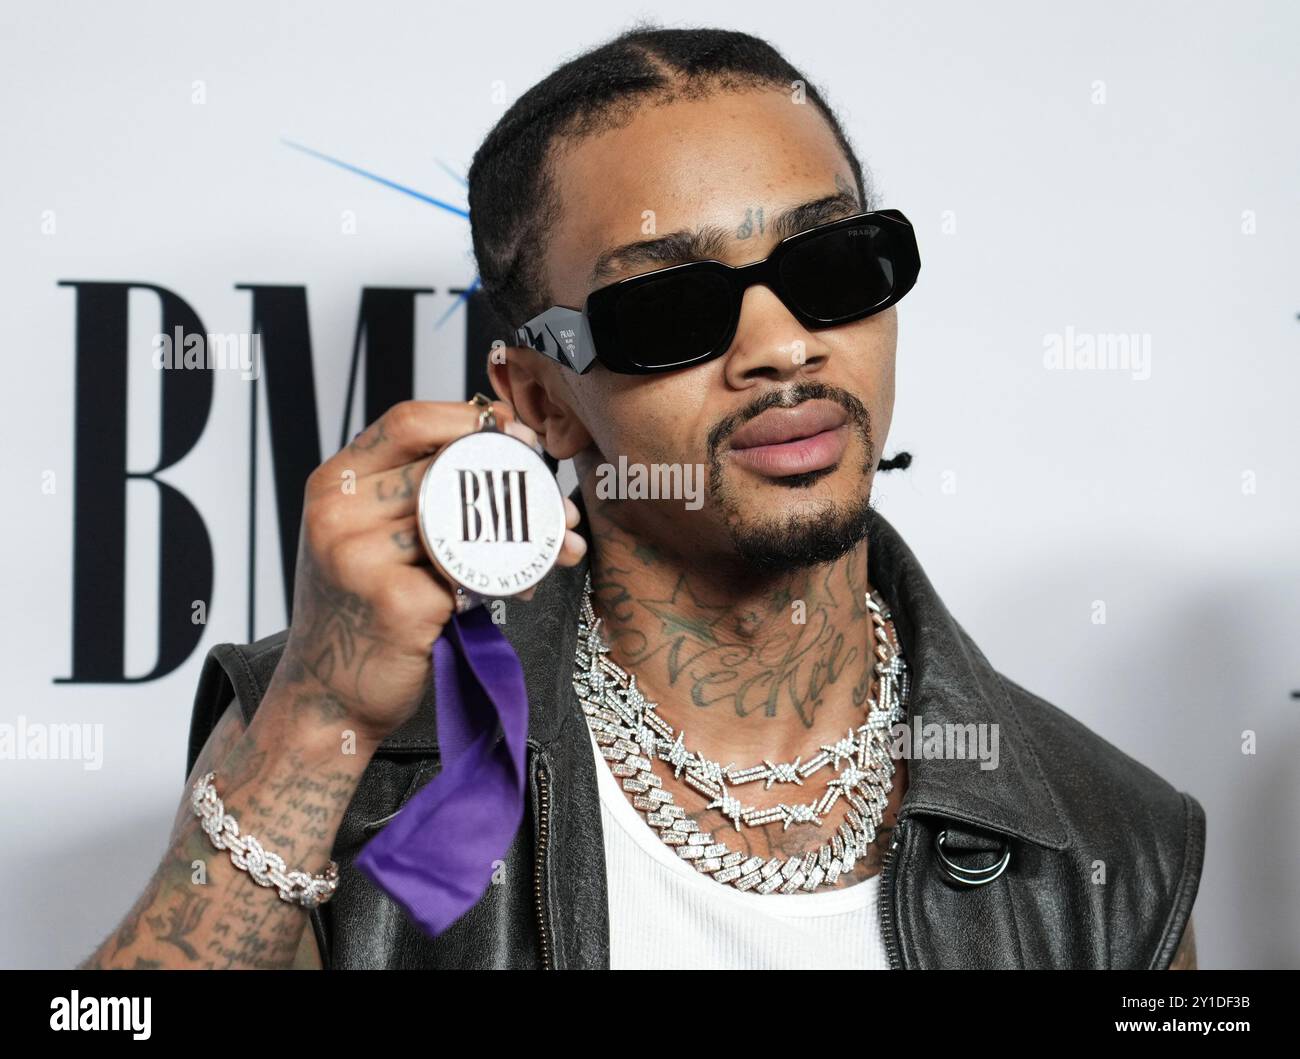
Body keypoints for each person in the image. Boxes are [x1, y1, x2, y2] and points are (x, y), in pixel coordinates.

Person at [81, 23, 1203, 970]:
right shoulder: (359, 748)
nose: (781, 346)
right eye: (668, 308)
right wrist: (316, 727)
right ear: (541, 397)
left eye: (831, 267)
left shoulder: (1109, 840)